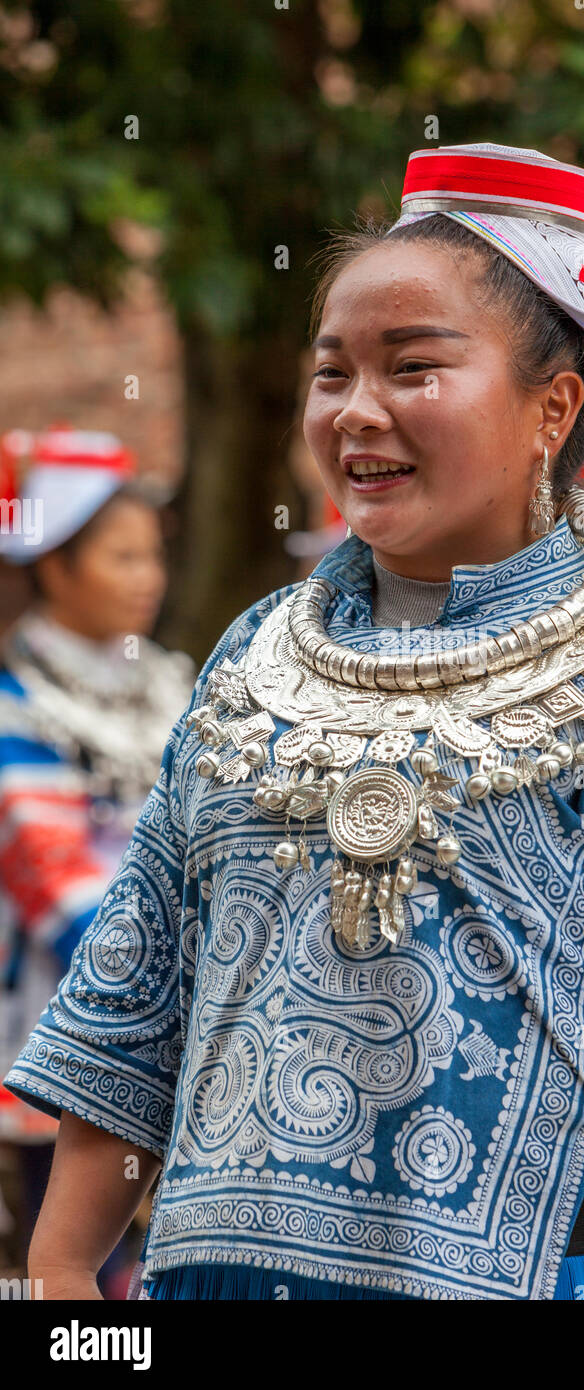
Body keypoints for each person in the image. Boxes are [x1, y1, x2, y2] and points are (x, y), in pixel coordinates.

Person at [5, 144, 584, 1302]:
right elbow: (139, 988)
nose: (356, 411)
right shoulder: (252, 656)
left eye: (413, 366)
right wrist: (58, 1274)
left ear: (552, 405)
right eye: (331, 372)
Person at [0, 427, 194, 1284]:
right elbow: (60, 889)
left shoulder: (176, 682)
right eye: (122, 557)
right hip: (69, 1039)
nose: (147, 578)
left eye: (152, 555)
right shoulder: (16, 706)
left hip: (181, 1018)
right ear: (53, 565)